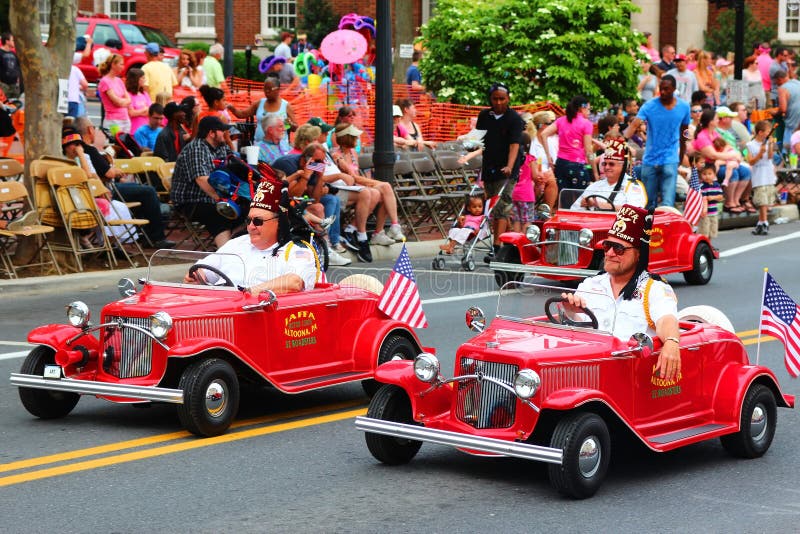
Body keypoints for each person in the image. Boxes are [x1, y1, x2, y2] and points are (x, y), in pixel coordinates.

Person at [561, 204, 681, 381]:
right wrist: (570, 310)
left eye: (619, 249)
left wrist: (671, 342)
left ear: (638, 254)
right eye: (607, 246)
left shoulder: (653, 288)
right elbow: (577, 332)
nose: (609, 253)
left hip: (631, 376)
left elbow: (666, 319)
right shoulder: (590, 284)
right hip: (589, 372)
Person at [183, 175, 318, 295]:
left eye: (258, 221)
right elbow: (203, 270)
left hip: (261, 314)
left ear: (278, 223)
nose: (251, 226)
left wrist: (250, 292)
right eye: (248, 220)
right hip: (221, 308)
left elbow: (295, 282)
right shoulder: (236, 244)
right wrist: (196, 275)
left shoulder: (296, 251)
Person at [68, 117, 174, 249]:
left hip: (103, 189)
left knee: (142, 189)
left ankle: (145, 232)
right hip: (105, 191)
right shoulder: (88, 150)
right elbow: (108, 173)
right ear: (90, 130)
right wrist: (116, 171)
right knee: (148, 192)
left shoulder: (85, 152)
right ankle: (156, 237)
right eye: (94, 129)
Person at [331, 123, 405, 249]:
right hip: (345, 192)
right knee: (384, 187)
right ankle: (389, 227)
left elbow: (356, 178)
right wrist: (375, 183)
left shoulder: (353, 153)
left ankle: (381, 231)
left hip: (357, 189)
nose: (357, 139)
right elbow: (352, 176)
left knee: (383, 193)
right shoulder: (336, 155)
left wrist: (373, 184)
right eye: (354, 137)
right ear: (347, 138)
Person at [171, 115, 242, 248]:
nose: (226, 133)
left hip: (209, 197)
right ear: (211, 133)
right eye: (222, 130)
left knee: (245, 209)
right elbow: (201, 179)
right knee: (220, 213)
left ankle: (234, 248)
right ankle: (226, 255)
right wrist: (221, 200)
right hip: (190, 201)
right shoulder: (196, 148)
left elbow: (235, 163)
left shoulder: (220, 146)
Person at [624, 74, 690, 210]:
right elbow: (634, 124)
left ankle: (665, 227)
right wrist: (621, 140)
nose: (663, 92)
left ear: (674, 89)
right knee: (648, 203)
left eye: (667, 89)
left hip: (670, 157)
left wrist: (682, 154)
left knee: (667, 202)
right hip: (650, 158)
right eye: (661, 89)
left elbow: (684, 131)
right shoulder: (650, 105)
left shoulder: (684, 107)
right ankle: (648, 229)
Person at [476, 83, 525, 262]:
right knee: (492, 207)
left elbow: (514, 144)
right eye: (495, 98)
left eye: (502, 99)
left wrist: (510, 166)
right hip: (489, 166)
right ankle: (508, 241)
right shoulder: (484, 116)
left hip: (506, 170)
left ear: (508, 99)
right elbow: (478, 139)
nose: (498, 102)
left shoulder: (514, 119)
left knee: (502, 206)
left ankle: (497, 246)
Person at [692, 108, 749, 212]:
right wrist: (732, 155)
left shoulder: (714, 133)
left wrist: (729, 153)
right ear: (710, 122)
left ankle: (736, 200)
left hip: (719, 162)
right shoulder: (702, 136)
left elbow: (726, 145)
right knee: (733, 173)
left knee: (745, 172)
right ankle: (729, 202)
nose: (718, 120)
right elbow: (712, 155)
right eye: (716, 119)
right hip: (707, 166)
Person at [571, 138, 647, 210]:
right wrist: (584, 203)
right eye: (604, 163)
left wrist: (599, 205)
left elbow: (635, 211)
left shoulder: (633, 186)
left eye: (611, 164)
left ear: (623, 166)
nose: (606, 167)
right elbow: (574, 210)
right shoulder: (595, 186)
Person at [541, 95, 594, 190]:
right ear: (582, 108)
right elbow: (589, 150)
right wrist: (595, 171)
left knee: (563, 198)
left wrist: (549, 158)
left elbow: (543, 134)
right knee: (579, 200)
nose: (589, 112)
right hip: (577, 166)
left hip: (561, 164)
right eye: (589, 109)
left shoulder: (561, 120)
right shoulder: (586, 124)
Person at [227, 76, 297, 143]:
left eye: (270, 89)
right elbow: (242, 114)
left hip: (280, 148)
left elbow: (295, 128)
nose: (267, 92)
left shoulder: (285, 106)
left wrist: (290, 124)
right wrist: (232, 108)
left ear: (278, 89)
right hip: (260, 146)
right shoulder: (259, 103)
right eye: (265, 89)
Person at [747, 120, 778, 236]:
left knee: (766, 201)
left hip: (768, 174)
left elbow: (770, 156)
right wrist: (760, 154)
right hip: (759, 175)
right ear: (760, 132)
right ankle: (764, 223)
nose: (770, 133)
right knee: (762, 201)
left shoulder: (769, 142)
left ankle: (760, 223)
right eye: (768, 131)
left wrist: (769, 145)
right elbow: (751, 161)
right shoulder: (750, 145)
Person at [528, 110, 558, 212]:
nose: (552, 125)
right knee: (539, 181)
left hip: (546, 172)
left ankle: (546, 212)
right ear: (542, 125)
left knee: (552, 181)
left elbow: (553, 161)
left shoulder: (550, 141)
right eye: (550, 123)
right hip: (533, 172)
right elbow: (532, 161)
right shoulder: (532, 140)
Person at [97, 53, 131, 133]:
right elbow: (116, 101)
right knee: (114, 143)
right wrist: (123, 102)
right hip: (113, 120)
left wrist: (123, 102)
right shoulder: (105, 81)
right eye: (121, 64)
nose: (123, 67)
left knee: (125, 143)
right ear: (113, 65)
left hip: (125, 118)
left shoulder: (119, 80)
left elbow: (129, 99)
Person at [510, 132, 537, 232]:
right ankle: (525, 243)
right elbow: (535, 175)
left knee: (516, 220)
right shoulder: (530, 158)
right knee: (526, 220)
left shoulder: (512, 159)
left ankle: (516, 244)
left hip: (514, 193)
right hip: (526, 195)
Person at [697, 163, 722, 239]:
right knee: (704, 231)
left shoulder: (717, 185)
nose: (707, 176)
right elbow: (702, 198)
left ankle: (710, 245)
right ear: (701, 175)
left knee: (712, 230)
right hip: (705, 214)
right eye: (704, 174)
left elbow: (720, 196)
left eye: (709, 173)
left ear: (714, 174)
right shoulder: (702, 186)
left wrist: (713, 197)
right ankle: (705, 245)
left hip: (714, 212)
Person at [126, 68, 151, 136]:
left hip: (146, 129)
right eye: (142, 78)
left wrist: (138, 112)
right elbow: (131, 113)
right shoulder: (128, 95)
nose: (144, 80)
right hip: (134, 130)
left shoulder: (145, 94)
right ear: (136, 79)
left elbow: (150, 111)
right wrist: (144, 110)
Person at [0, 33, 22, 99]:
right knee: (4, 106)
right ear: (7, 41)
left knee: (15, 106)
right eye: (13, 40)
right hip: (3, 85)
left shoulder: (13, 53)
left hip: (14, 85)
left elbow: (18, 66)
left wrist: (18, 79)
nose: (14, 42)